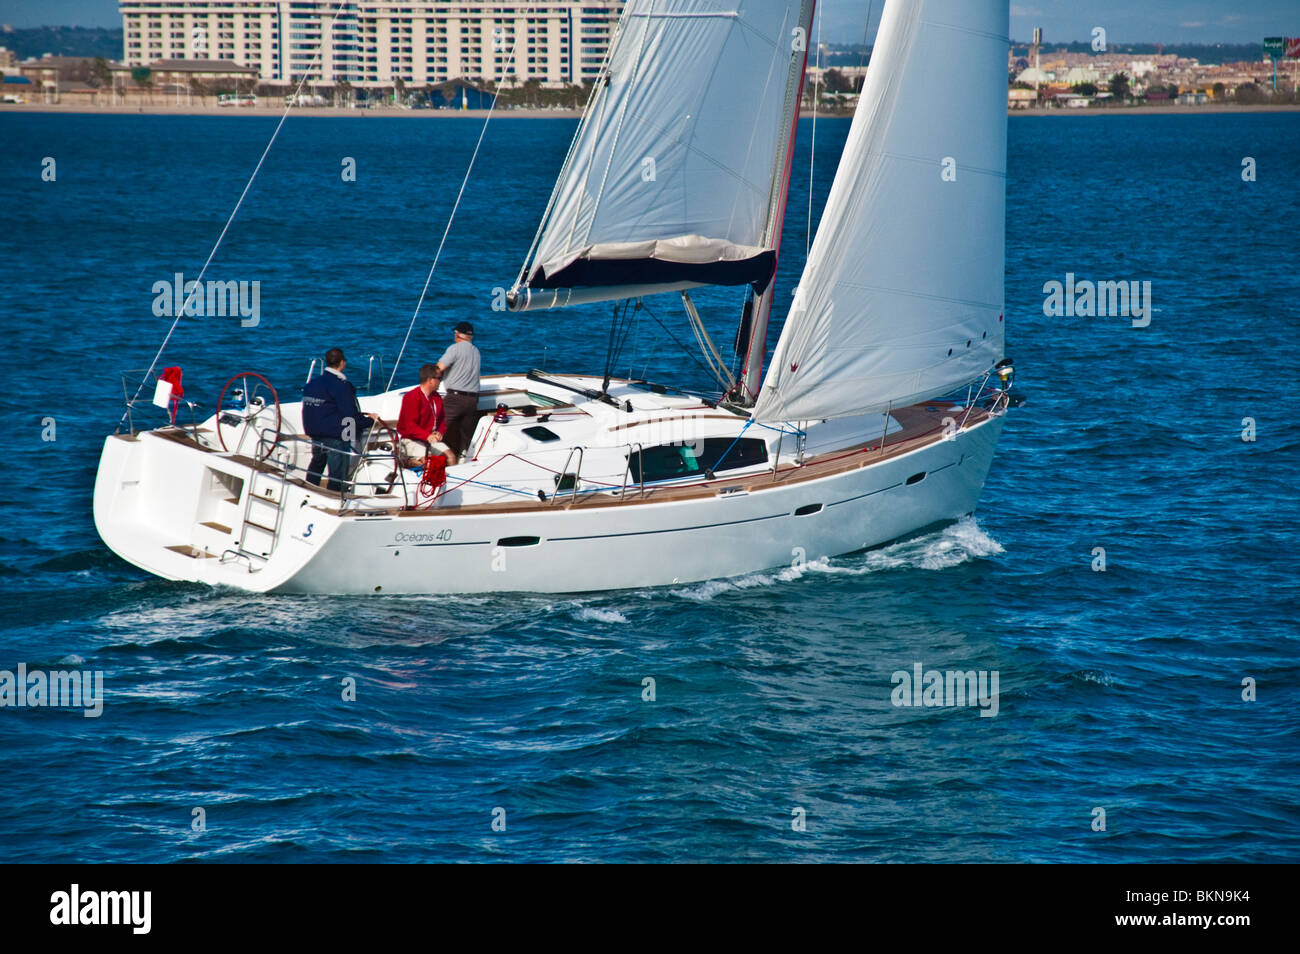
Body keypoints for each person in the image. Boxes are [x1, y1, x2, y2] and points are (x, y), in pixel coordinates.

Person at [302, 347, 377, 492]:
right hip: (335, 435)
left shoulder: (312, 383)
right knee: (337, 474)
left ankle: (307, 492)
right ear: (342, 363)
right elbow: (351, 416)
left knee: (316, 465)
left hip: (315, 433)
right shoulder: (341, 386)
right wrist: (371, 421)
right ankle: (335, 499)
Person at [436, 320, 482, 458]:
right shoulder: (476, 352)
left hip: (454, 399)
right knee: (466, 436)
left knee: (439, 430)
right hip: (472, 400)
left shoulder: (455, 348)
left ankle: (435, 463)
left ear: (457, 335)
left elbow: (438, 369)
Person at [397, 363, 458, 466]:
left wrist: (439, 432)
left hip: (429, 439)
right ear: (430, 380)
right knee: (430, 462)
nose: (440, 381)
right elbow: (410, 426)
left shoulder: (437, 397)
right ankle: (410, 462)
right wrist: (427, 436)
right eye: (439, 378)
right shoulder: (411, 397)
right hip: (411, 440)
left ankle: (450, 481)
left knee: (450, 457)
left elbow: (442, 421)